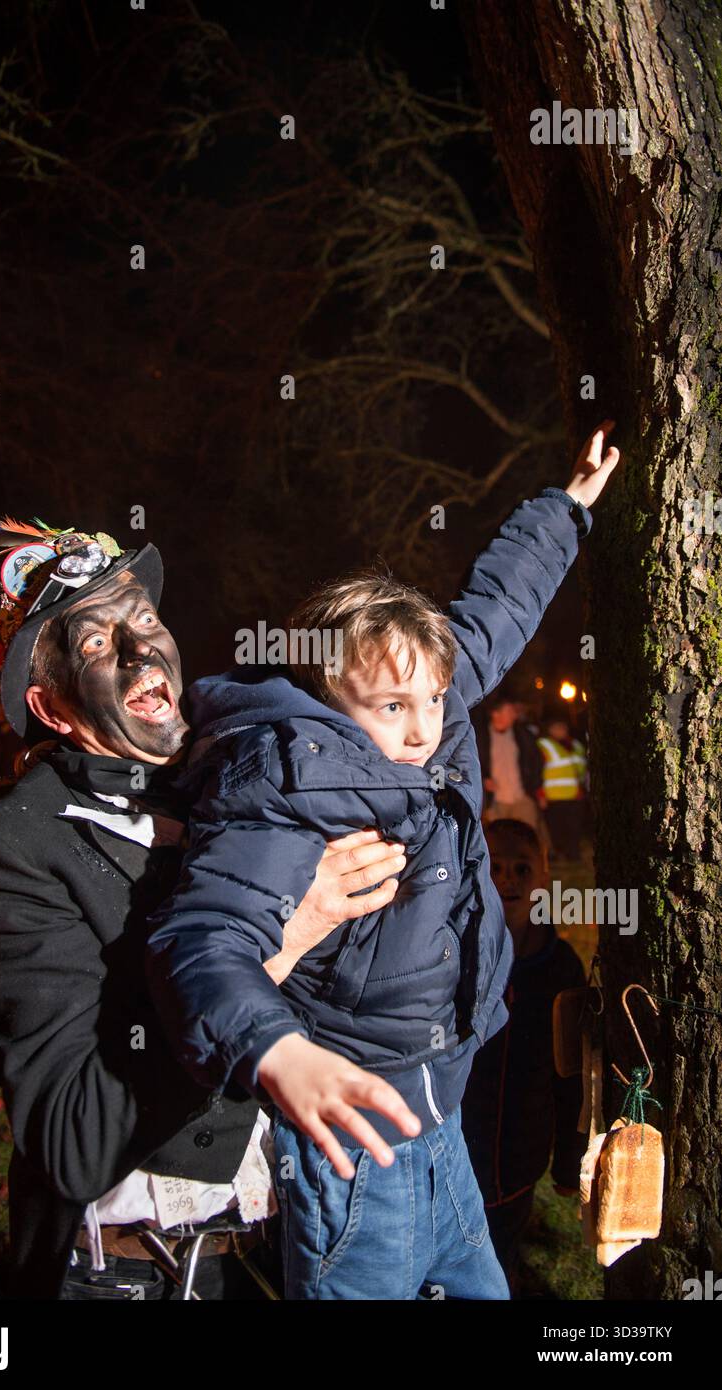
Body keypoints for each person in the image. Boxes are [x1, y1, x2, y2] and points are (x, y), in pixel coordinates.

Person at [145, 423, 619, 1300]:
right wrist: (277, 1054)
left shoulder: (427, 718)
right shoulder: (292, 780)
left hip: (443, 1113)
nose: (422, 728)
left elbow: (490, 618)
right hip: (356, 1139)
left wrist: (565, 508)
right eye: (391, 705)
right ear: (326, 698)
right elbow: (205, 937)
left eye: (433, 699)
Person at [0, 519, 411, 1300]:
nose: (138, 651)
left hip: (292, 1250)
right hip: (131, 1274)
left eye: (145, 623)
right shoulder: (16, 847)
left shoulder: (236, 774)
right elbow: (74, 1138)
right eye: (96, 646)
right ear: (52, 708)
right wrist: (284, 935)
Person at [461, 818, 587, 1295]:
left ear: (544, 877)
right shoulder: (456, 950)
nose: (507, 879)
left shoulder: (561, 966)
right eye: (495, 867)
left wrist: (570, 1160)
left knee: (499, 1260)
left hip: (521, 1154)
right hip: (458, 1147)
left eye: (521, 868)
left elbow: (570, 1072)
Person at [474, 690, 544, 832]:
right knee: (499, 844)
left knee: (528, 841)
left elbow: (536, 762)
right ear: (495, 713)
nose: (514, 714)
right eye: (510, 711)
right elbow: (471, 765)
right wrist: (483, 780)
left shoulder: (523, 735)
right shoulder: (479, 737)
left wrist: (534, 787)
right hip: (495, 803)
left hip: (522, 800)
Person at [537, 712, 588, 862]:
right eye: (557, 728)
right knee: (557, 829)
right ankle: (559, 854)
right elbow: (537, 771)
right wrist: (540, 794)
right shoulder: (544, 745)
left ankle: (573, 855)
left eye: (563, 728)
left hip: (574, 795)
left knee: (574, 828)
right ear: (550, 730)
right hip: (553, 796)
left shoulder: (576, 745)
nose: (561, 731)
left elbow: (582, 769)